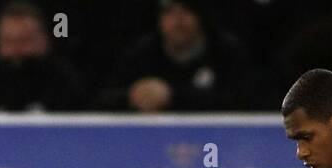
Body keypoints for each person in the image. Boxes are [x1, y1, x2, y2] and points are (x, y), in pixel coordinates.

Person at [98, 0, 250, 113]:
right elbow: (103, 99)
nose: (178, 20)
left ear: (199, 16)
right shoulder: (141, 54)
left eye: (186, 10)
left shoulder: (225, 52)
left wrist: (173, 96)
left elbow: (245, 102)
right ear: (159, 20)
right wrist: (131, 96)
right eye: (169, 12)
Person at [0, 1, 86, 113]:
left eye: (24, 40)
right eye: (8, 41)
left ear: (44, 40)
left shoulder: (65, 81)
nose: (16, 48)